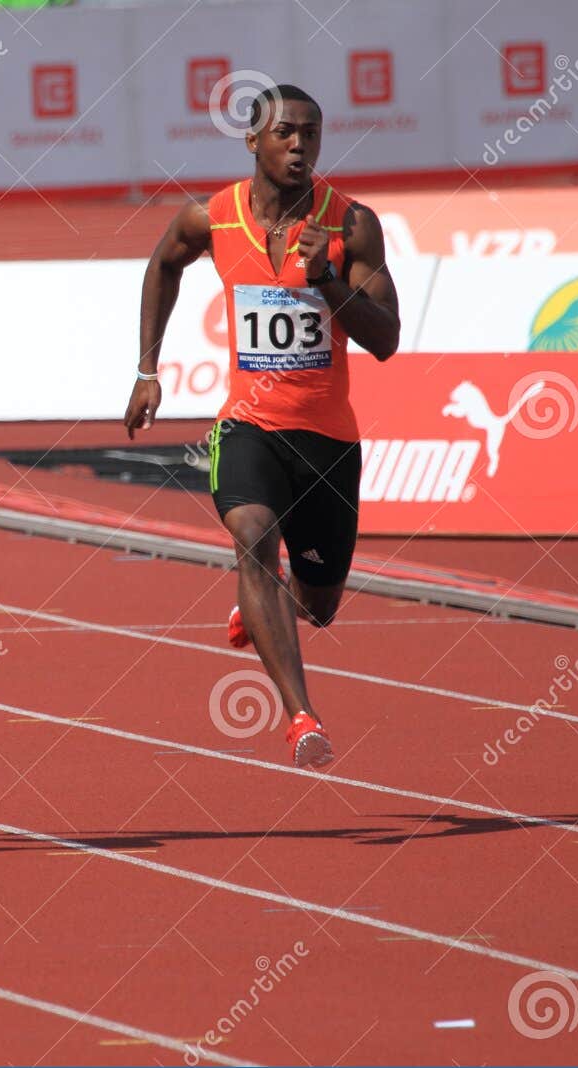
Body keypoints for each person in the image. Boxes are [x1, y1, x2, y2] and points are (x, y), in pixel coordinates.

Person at [123, 84, 400, 769]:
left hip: (328, 440)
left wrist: (328, 280)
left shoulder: (352, 224)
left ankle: (260, 608)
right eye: (285, 133)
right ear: (253, 140)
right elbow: (162, 263)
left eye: (311, 133)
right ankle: (301, 716)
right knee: (251, 536)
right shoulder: (211, 219)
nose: (299, 145)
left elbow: (387, 339)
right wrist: (147, 368)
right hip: (248, 425)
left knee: (320, 603)